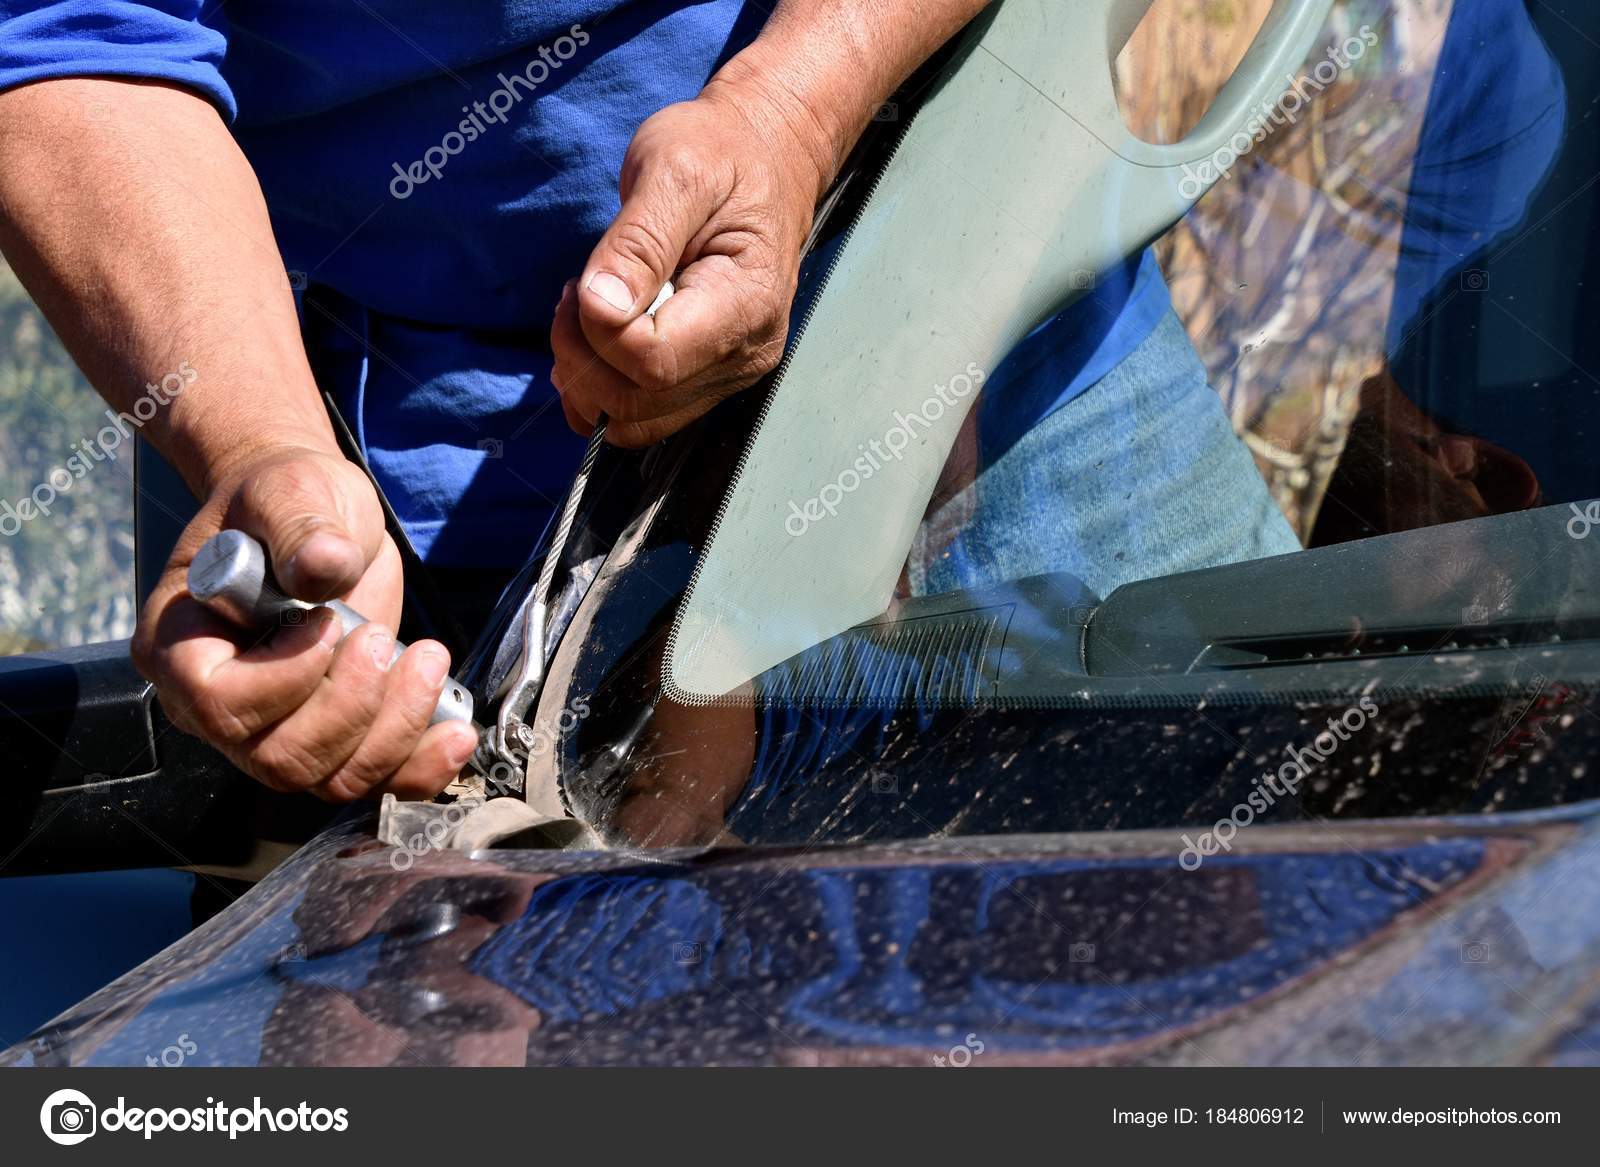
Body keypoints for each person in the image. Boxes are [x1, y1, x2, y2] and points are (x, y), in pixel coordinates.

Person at [0, 0, 1295, 804]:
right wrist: (258, 441)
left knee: (1252, 904)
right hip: (440, 521)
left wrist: (793, 108)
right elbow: (76, 43)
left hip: (1008, 339)